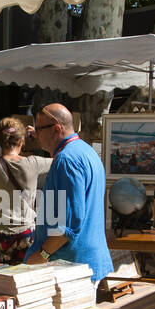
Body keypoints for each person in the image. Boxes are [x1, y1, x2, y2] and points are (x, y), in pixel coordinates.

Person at [24, 104, 113, 284]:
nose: (35, 135)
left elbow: (68, 226)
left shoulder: (66, 159)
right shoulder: (87, 151)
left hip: (70, 266)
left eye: (39, 129)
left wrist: (41, 256)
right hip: (82, 261)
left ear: (57, 129)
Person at [0, 117, 53, 265]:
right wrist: (39, 135)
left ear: (0, 141)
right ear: (22, 141)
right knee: (26, 280)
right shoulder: (33, 162)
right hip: (25, 233)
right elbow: (61, 157)